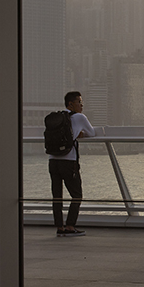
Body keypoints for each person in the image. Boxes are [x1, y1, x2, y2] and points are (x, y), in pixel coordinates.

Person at [47, 90, 95, 237]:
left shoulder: (57, 117)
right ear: (71, 104)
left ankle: (59, 227)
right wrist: (80, 133)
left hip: (53, 160)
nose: (82, 105)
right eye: (79, 102)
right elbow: (92, 133)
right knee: (77, 195)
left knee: (57, 196)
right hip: (68, 162)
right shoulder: (80, 117)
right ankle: (70, 226)